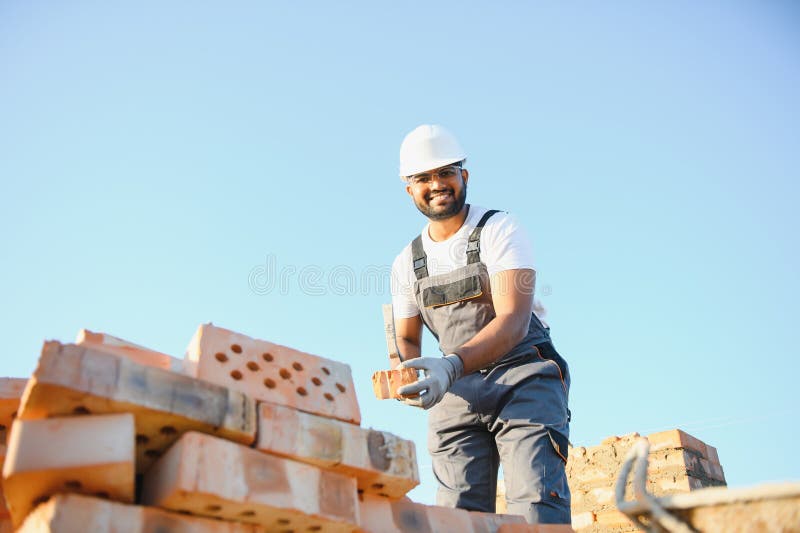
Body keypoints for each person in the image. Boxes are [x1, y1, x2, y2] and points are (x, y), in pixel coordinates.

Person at [389, 124, 572, 524]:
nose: (436, 184)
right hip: (455, 395)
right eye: (423, 178)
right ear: (409, 189)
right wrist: (408, 371)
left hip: (523, 379)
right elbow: (406, 336)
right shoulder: (406, 263)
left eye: (445, 173)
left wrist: (450, 364)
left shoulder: (501, 229)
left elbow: (514, 321)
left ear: (463, 176)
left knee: (535, 511)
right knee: (457, 520)